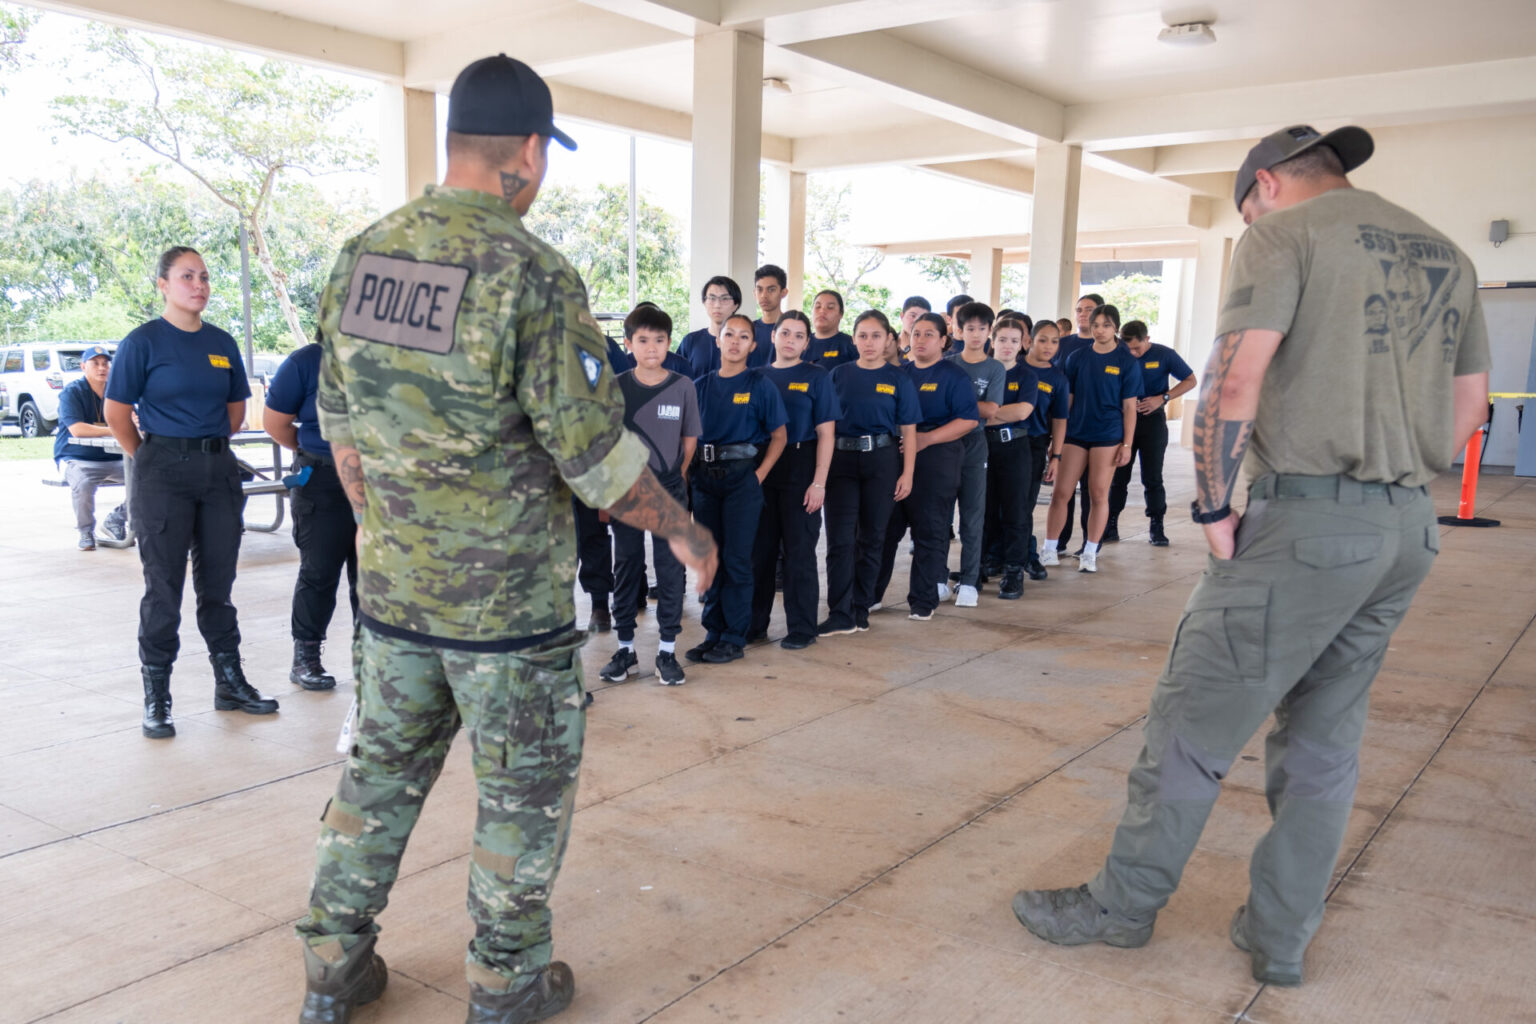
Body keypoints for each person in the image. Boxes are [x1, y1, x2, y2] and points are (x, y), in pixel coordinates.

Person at [1012, 123, 1490, 990]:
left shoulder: (1282, 238)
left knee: (1192, 727)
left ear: (1263, 186)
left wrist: (1216, 504)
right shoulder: (1448, 254)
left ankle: (1122, 908)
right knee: (1324, 743)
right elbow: (1469, 410)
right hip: (1405, 530)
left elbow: (1234, 381)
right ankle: (1280, 936)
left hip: (1304, 523)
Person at [294, 54, 718, 1024]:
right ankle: (505, 981)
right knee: (520, 801)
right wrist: (688, 532)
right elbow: (592, 457)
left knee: (379, 779)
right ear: (527, 153)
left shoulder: (360, 258)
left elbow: (344, 435)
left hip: (396, 603)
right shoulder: (530, 272)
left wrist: (400, 539)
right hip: (507, 620)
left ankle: (332, 963)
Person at [104, 247, 276, 741]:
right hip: (162, 472)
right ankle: (157, 698)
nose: (198, 285)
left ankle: (229, 683)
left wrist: (206, 449)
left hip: (217, 470)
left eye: (203, 276)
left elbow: (236, 408)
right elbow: (117, 415)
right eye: (186, 276)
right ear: (163, 284)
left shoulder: (221, 342)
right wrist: (154, 456)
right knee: (164, 591)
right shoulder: (143, 343)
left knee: (218, 587)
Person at [598, 305, 700, 686]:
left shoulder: (683, 386)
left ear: (669, 344)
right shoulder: (617, 386)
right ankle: (625, 650)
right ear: (628, 344)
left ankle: (667, 652)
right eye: (643, 340)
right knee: (626, 566)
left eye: (659, 340)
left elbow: (689, 441)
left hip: (670, 489)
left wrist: (676, 479)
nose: (652, 347)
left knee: (671, 568)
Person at [686, 312, 787, 665]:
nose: (735, 341)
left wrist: (759, 475)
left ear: (753, 345)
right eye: (729, 334)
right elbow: (688, 439)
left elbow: (779, 436)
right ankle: (713, 632)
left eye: (744, 337)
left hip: (742, 478)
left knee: (737, 559)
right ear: (718, 340)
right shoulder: (700, 386)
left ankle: (734, 636)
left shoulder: (760, 384)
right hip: (704, 478)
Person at [263, 337, 358, 691]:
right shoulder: (305, 362)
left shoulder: (385, 357)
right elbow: (276, 424)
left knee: (374, 577)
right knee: (319, 572)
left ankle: (373, 659)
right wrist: (316, 449)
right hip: (322, 480)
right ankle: (306, 657)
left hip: (376, 480)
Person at [874, 312, 979, 620]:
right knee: (884, 529)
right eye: (916, 333)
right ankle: (869, 595)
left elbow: (969, 420)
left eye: (929, 334)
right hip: (896, 459)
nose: (920, 340)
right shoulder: (899, 373)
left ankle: (923, 600)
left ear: (944, 341)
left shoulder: (953, 375)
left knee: (929, 531)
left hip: (936, 460)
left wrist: (926, 439)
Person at [746, 311, 840, 649]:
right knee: (760, 551)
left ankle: (802, 628)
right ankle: (754, 625)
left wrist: (819, 482)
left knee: (800, 552)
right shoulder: (755, 376)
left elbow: (827, 434)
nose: (790, 340)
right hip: (762, 465)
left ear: (806, 342)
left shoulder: (816, 376)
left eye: (798, 335)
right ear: (772, 336)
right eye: (785, 333)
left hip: (802, 465)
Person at [820, 310, 918, 635]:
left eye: (876, 336)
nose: (869, 342)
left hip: (882, 460)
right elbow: (827, 426)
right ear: (853, 339)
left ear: (889, 339)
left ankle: (861, 606)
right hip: (842, 462)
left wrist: (907, 474)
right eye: (862, 335)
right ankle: (839, 611)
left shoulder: (899, 378)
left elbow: (910, 431)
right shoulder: (838, 375)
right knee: (839, 539)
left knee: (873, 537)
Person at [1040, 304, 1140, 573]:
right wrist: (1056, 440)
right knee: (1061, 493)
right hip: (1076, 433)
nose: (1099, 330)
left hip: (1107, 435)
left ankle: (1090, 551)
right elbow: (1066, 402)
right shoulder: (1077, 357)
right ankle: (1049, 548)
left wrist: (1127, 445)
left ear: (1115, 328)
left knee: (1097, 494)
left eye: (1106, 325)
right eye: (1096, 324)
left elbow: (1130, 408)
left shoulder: (1126, 361)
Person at [1106, 320, 1197, 546]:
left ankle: (1157, 526)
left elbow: (1190, 380)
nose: (1133, 353)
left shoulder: (1164, 354)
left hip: (1152, 421)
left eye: (1138, 347)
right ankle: (1110, 524)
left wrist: (1163, 398)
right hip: (1122, 420)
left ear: (1147, 339)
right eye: (1129, 349)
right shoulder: (1116, 355)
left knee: (1152, 477)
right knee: (1119, 477)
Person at [945, 301, 1007, 606]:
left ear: (989, 332)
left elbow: (992, 410)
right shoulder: (948, 363)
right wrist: (970, 407)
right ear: (959, 330)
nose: (976, 334)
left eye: (982, 328)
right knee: (940, 514)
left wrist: (956, 404)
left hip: (975, 443)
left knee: (972, 514)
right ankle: (936, 578)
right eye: (970, 328)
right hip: (944, 444)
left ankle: (969, 580)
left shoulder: (994, 368)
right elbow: (941, 407)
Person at [979, 318, 1036, 598]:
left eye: (1015, 340)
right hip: (981, 447)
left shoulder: (1027, 376)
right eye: (1002, 339)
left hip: (1014, 449)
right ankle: (974, 568)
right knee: (981, 510)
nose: (1008, 346)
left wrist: (988, 412)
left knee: (1016, 511)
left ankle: (1014, 571)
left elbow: (1022, 413)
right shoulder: (980, 372)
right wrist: (1000, 412)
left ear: (1023, 344)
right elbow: (966, 411)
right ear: (992, 340)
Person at [54, 343, 126, 550]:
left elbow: (133, 420)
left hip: (116, 458)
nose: (102, 368)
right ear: (83, 366)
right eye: (95, 363)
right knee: (83, 482)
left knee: (150, 479)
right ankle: (86, 532)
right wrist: (115, 429)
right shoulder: (72, 392)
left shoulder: (117, 393)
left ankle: (117, 519)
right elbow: (77, 429)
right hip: (78, 457)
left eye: (105, 363)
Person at [1055, 292, 1106, 551]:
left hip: (1100, 431)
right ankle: (1059, 541)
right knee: (1064, 488)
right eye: (1079, 309)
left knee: (1092, 490)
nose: (1083, 314)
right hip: (1068, 427)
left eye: (1089, 309)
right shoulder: (1064, 345)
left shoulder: (1110, 347)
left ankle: (1090, 543)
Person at [1021, 320, 1069, 581]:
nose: (1049, 346)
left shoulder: (1057, 378)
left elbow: (1060, 419)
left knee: (1025, 505)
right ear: (1029, 341)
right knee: (997, 504)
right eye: (1043, 340)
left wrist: (1056, 455)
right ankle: (991, 558)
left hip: (1035, 444)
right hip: (1003, 443)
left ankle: (1027, 555)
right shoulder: (1014, 367)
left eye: (1054, 341)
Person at [676, 276, 742, 379]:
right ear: (704, 302)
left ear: (736, 304)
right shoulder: (690, 341)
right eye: (712, 298)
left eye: (724, 298)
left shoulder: (744, 342)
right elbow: (677, 382)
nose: (717, 305)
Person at [807, 289, 857, 370]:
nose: (822, 311)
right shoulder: (800, 342)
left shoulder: (850, 344)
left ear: (841, 314)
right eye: (818, 307)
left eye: (830, 307)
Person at [751, 264, 788, 363]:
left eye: (771, 290)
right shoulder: (748, 330)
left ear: (783, 292)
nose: (764, 295)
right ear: (754, 293)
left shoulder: (794, 329)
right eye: (760, 289)